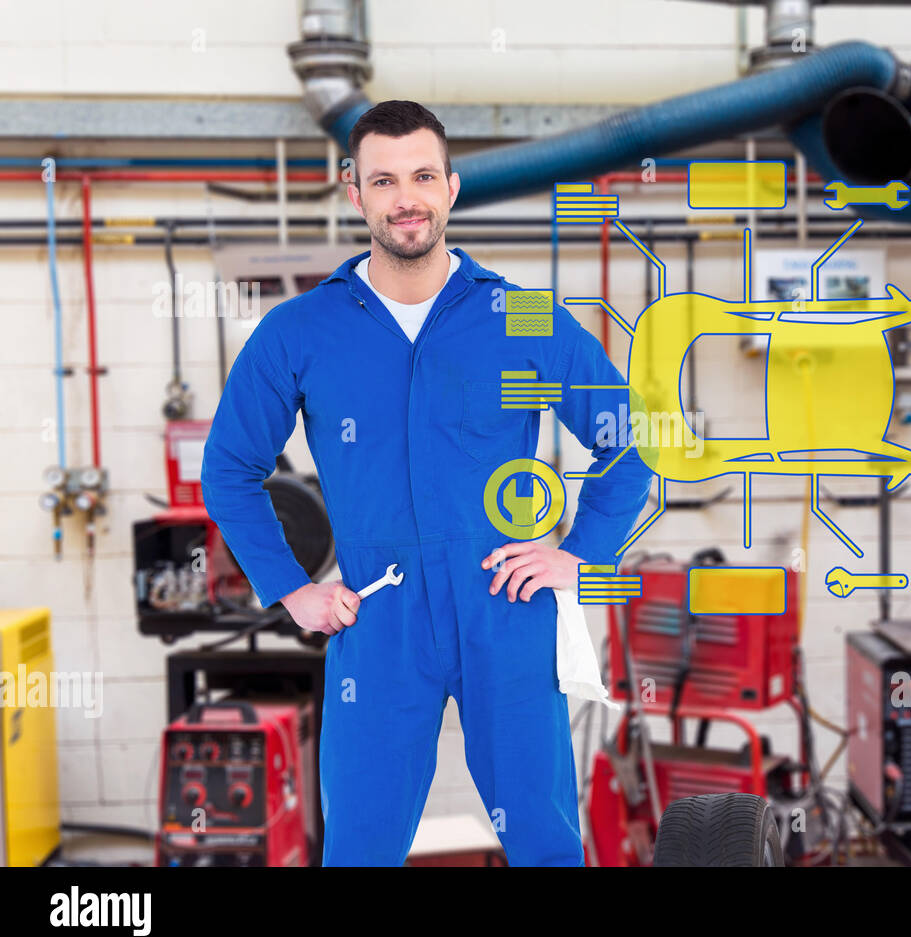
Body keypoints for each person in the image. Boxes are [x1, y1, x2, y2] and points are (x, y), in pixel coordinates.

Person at [200, 100, 652, 866]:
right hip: (378, 617)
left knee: (545, 841)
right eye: (383, 180)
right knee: (360, 847)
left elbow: (631, 442)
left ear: (450, 187)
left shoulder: (525, 319)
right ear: (356, 194)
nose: (404, 197)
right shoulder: (300, 332)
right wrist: (290, 589)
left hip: (505, 608)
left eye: (421, 176)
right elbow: (229, 472)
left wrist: (581, 555)